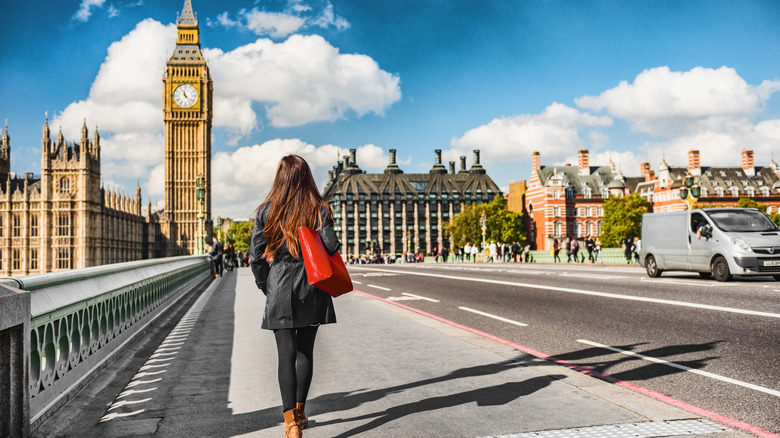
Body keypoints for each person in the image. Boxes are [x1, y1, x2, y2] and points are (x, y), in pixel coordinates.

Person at [249, 155, 340, 438]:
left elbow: (255, 256)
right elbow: (332, 246)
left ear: (281, 178)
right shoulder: (318, 208)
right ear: (307, 178)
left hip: (280, 283)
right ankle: (300, 413)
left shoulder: (266, 211)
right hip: (312, 284)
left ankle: (290, 425)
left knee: (285, 356)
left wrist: (267, 285)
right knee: (305, 353)